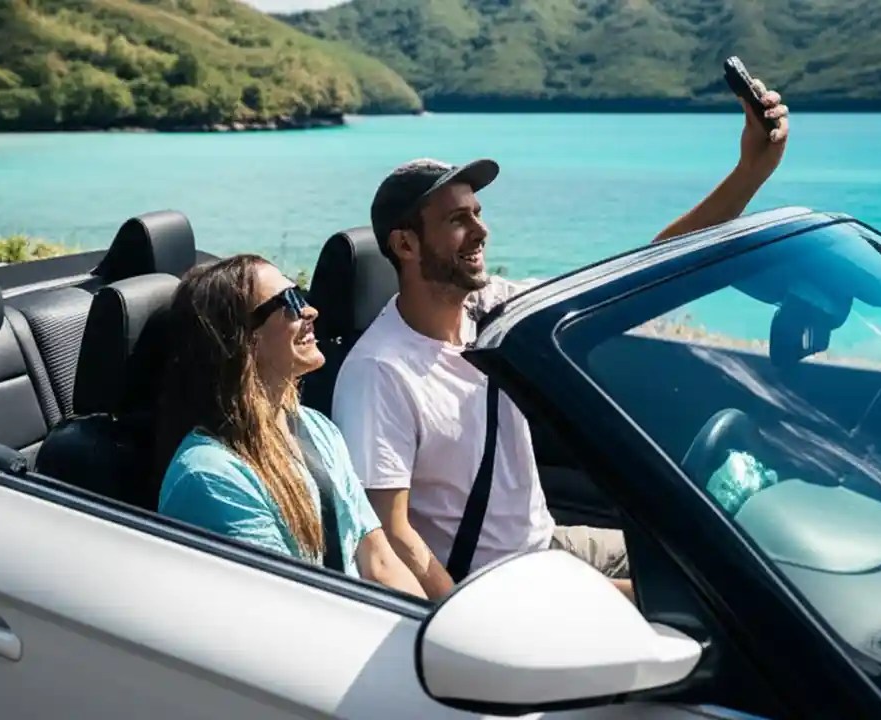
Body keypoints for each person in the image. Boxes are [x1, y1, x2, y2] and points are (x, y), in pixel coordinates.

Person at [332, 78, 792, 601]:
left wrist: (751, 172)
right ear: (406, 244)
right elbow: (392, 537)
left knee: (717, 553)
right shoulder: (381, 371)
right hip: (501, 590)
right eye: (459, 220)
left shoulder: (492, 311)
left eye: (478, 213)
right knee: (699, 600)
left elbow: (637, 273)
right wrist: (465, 623)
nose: (481, 232)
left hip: (549, 546)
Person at [155, 254, 427, 599]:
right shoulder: (211, 477)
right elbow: (286, 606)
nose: (310, 311)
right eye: (290, 302)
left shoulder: (317, 429)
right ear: (244, 338)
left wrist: (423, 634)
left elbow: (379, 560)